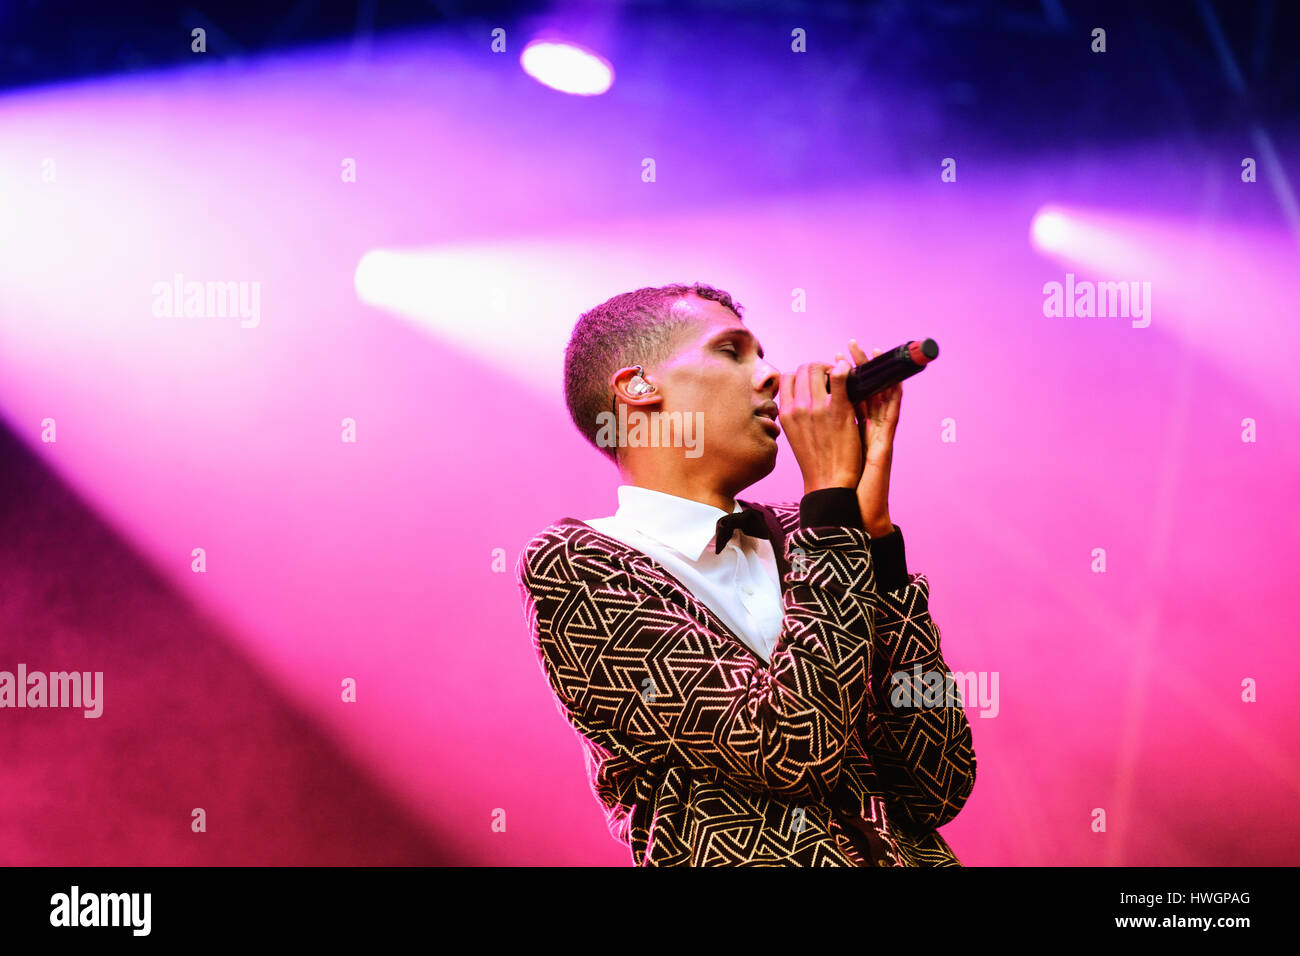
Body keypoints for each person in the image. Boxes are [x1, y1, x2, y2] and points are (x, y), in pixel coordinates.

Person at [516, 282, 975, 866]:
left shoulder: (810, 536)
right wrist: (832, 509)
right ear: (638, 387)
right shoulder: (577, 562)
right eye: (732, 352)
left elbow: (938, 783)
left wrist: (876, 537)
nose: (773, 377)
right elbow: (791, 745)